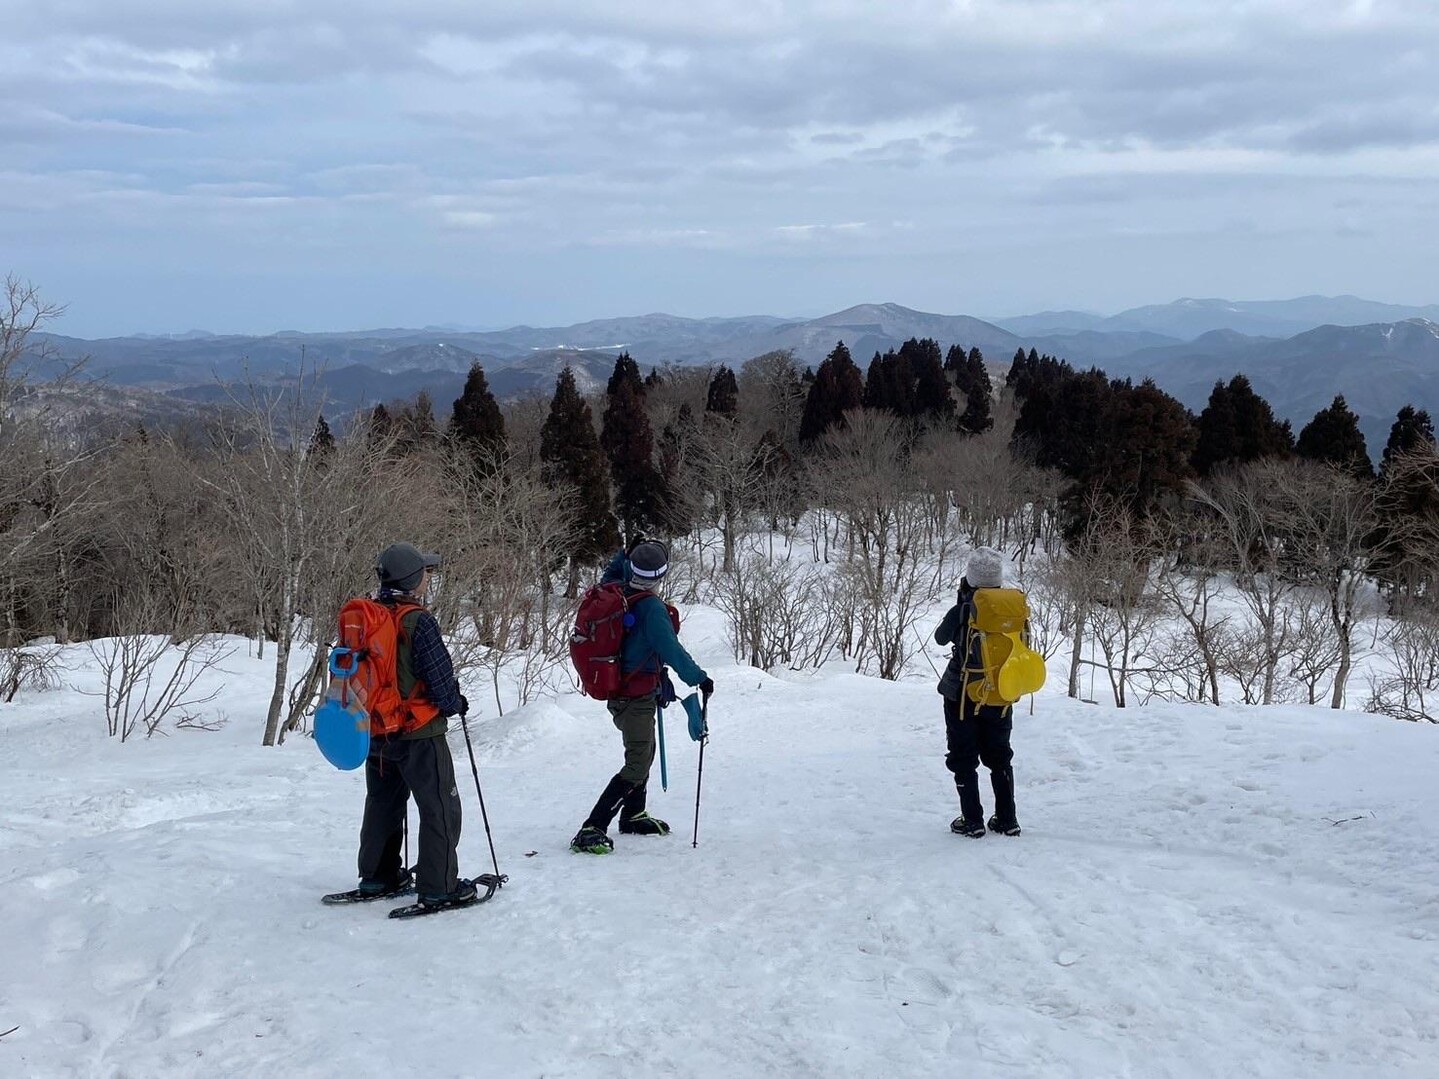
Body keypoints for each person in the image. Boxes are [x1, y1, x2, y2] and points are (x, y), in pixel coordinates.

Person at [571, 539, 713, 854]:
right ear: (662, 574)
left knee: (645, 752)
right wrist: (699, 679)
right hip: (634, 695)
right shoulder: (651, 609)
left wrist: (623, 554)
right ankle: (592, 827)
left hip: (624, 690)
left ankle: (633, 814)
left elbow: (612, 571)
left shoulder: (617, 587)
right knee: (638, 760)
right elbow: (671, 650)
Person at [353, 542, 476, 906]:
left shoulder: (368, 617)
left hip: (376, 730)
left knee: (382, 803)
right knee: (440, 806)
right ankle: (439, 886)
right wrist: (455, 704)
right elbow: (440, 684)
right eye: (424, 572)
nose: (428, 577)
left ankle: (378, 877)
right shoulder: (418, 621)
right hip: (419, 733)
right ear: (412, 579)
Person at [934, 547, 1021, 838]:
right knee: (1000, 756)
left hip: (963, 694)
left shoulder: (963, 610)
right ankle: (1007, 819)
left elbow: (940, 638)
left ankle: (972, 820)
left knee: (963, 756)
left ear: (970, 578)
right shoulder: (1013, 608)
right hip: (1001, 690)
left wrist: (962, 606)